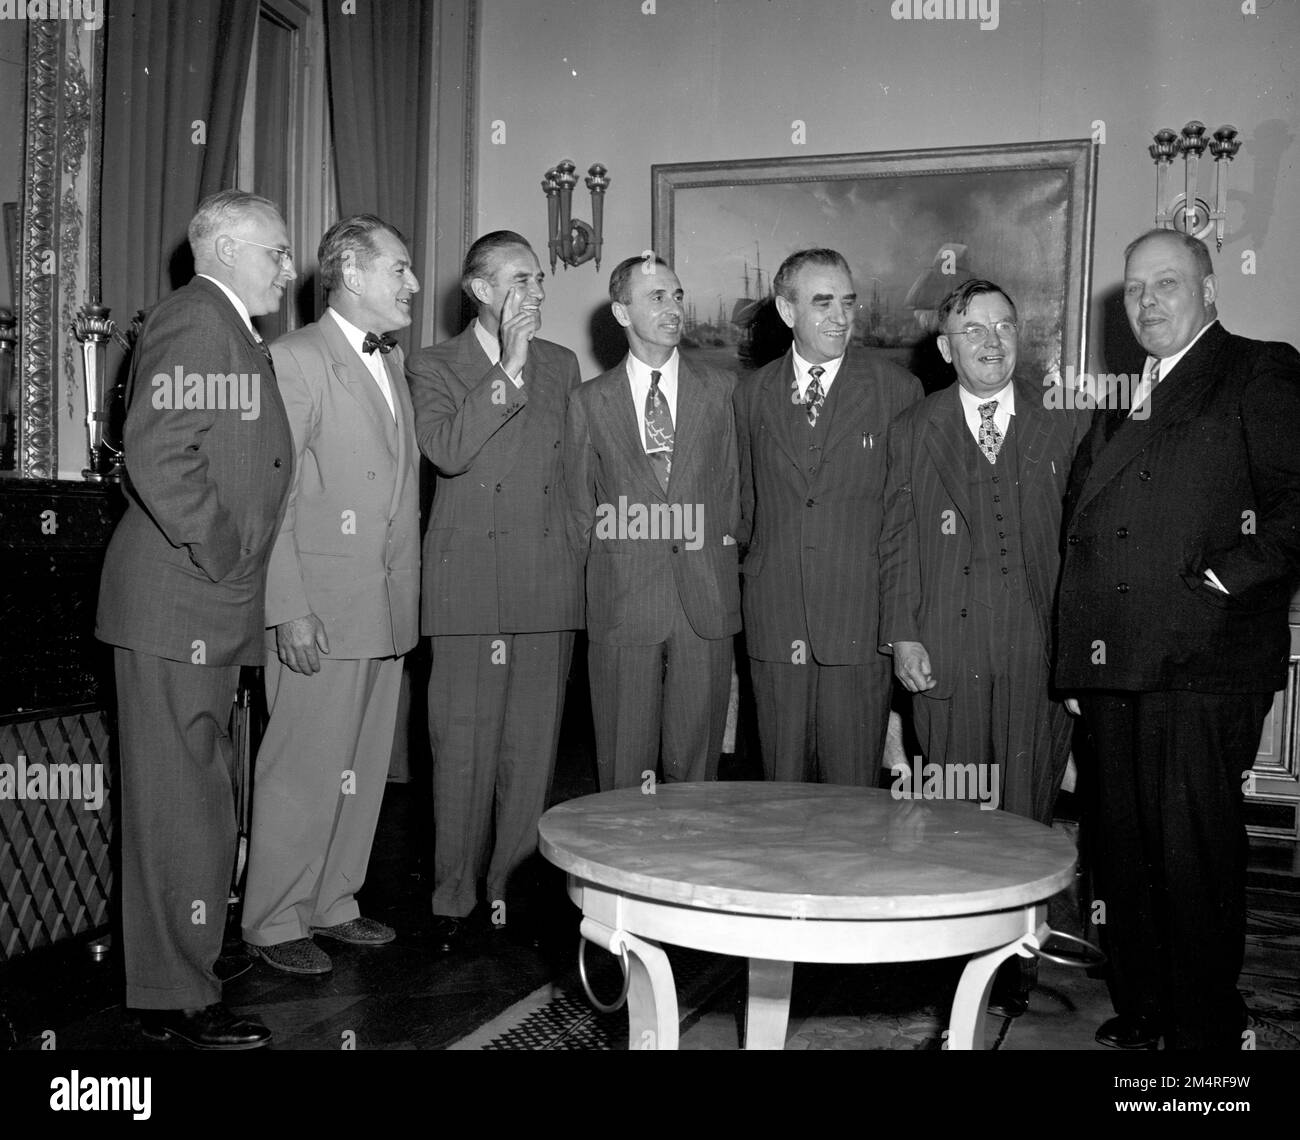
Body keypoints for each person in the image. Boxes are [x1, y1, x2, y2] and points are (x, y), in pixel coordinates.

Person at [1057, 229, 1300, 1050]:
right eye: (1134, 288)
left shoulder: (1257, 369)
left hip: (1204, 658)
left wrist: (1225, 580)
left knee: (1192, 850)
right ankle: (1146, 1004)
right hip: (1116, 662)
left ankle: (1203, 1025)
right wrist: (1077, 662)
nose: (1147, 300)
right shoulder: (1126, 396)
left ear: (1209, 290)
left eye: (1166, 283)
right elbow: (1085, 534)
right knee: (1123, 845)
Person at [96, 189, 295, 1048]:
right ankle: (173, 998)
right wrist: (226, 556)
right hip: (181, 598)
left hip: (202, 602)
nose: (289, 268)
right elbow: (159, 452)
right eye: (275, 252)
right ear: (223, 249)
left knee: (199, 799)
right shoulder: (195, 318)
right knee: (181, 806)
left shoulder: (231, 329)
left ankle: (187, 962)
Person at [879, 278, 1091, 1015]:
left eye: (1004, 326)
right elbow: (897, 539)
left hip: (1037, 645)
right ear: (946, 348)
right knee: (955, 807)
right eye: (973, 329)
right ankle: (958, 962)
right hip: (946, 643)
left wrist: (1079, 652)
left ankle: (1015, 966)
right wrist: (904, 634)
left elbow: (1086, 547)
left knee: (1027, 811)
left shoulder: (1066, 423)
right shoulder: (915, 428)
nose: (992, 341)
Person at [240, 215, 421, 974]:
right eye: (399, 269)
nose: (414, 284)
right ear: (350, 273)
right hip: (319, 608)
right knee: (302, 770)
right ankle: (274, 919)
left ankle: (332, 902)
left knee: (360, 766)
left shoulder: (391, 360)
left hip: (384, 608)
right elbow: (271, 496)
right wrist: (288, 607)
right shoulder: (295, 358)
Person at [407, 231, 583, 954]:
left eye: (539, 279)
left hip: (546, 584)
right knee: (462, 751)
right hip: (468, 587)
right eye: (520, 280)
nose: (536, 292)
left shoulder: (563, 364)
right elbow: (448, 451)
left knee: (530, 755)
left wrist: (577, 559)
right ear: (480, 291)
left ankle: (509, 894)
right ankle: (452, 900)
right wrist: (508, 365)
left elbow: (574, 476)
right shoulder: (432, 364)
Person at [735, 248, 921, 785]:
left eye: (848, 302)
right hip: (776, 625)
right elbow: (746, 510)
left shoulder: (896, 390)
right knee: (781, 789)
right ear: (787, 310)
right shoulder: (750, 394)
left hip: (859, 626)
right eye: (823, 302)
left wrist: (899, 628)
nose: (841, 317)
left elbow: (904, 523)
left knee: (852, 798)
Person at [566, 255, 740, 791]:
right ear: (621, 313)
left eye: (677, 295)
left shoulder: (724, 391)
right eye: (657, 297)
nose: (673, 308)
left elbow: (737, 493)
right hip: (623, 606)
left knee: (696, 777)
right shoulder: (588, 402)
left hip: (704, 604)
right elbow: (579, 512)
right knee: (623, 775)